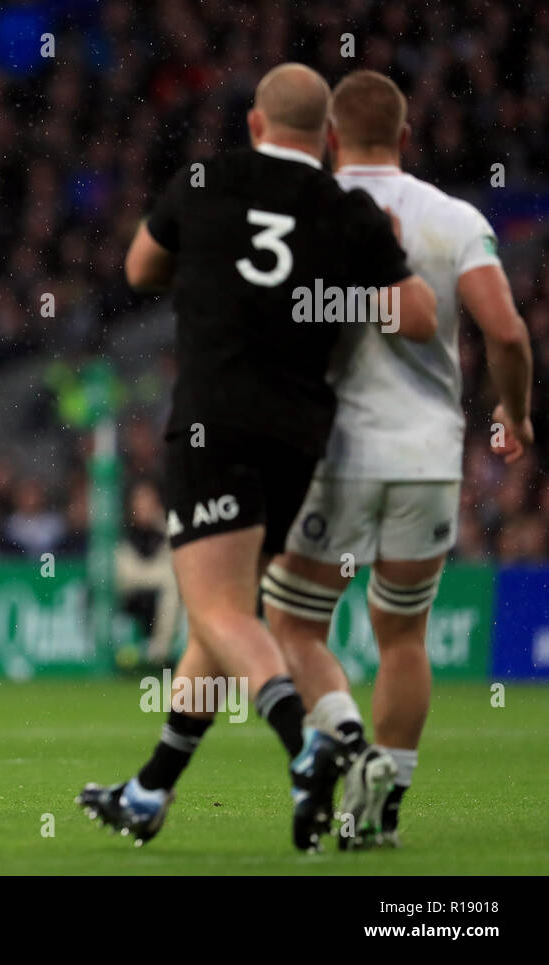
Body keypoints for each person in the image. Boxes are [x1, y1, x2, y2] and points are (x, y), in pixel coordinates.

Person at [77, 63, 438, 851]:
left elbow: (139, 268)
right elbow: (417, 313)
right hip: (299, 438)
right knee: (221, 618)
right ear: (329, 138)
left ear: (255, 126)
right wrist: (326, 297)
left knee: (216, 609)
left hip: (214, 422)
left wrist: (208, 266)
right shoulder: (347, 209)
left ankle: (308, 739)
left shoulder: (207, 180)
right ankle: (150, 789)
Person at [262, 69, 534, 848]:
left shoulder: (294, 216)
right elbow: (508, 334)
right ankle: (387, 795)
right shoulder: (453, 218)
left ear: (332, 139)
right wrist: (513, 414)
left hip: (334, 453)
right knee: (403, 636)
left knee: (292, 622)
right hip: (427, 457)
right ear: (407, 138)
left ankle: (346, 746)